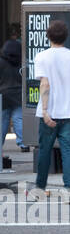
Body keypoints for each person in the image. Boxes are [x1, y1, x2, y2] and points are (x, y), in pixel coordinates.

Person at [33, 19, 70, 195]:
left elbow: (45, 85)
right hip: (69, 113)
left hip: (49, 114)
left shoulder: (42, 56)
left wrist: (44, 111)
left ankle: (40, 189)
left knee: (44, 152)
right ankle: (69, 190)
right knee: (68, 152)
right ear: (66, 37)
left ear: (48, 36)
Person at [0, 30, 24, 169]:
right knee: (18, 119)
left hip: (3, 95)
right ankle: (23, 143)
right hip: (18, 94)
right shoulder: (20, 62)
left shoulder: (1, 62)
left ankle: (0, 144)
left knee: (2, 122)